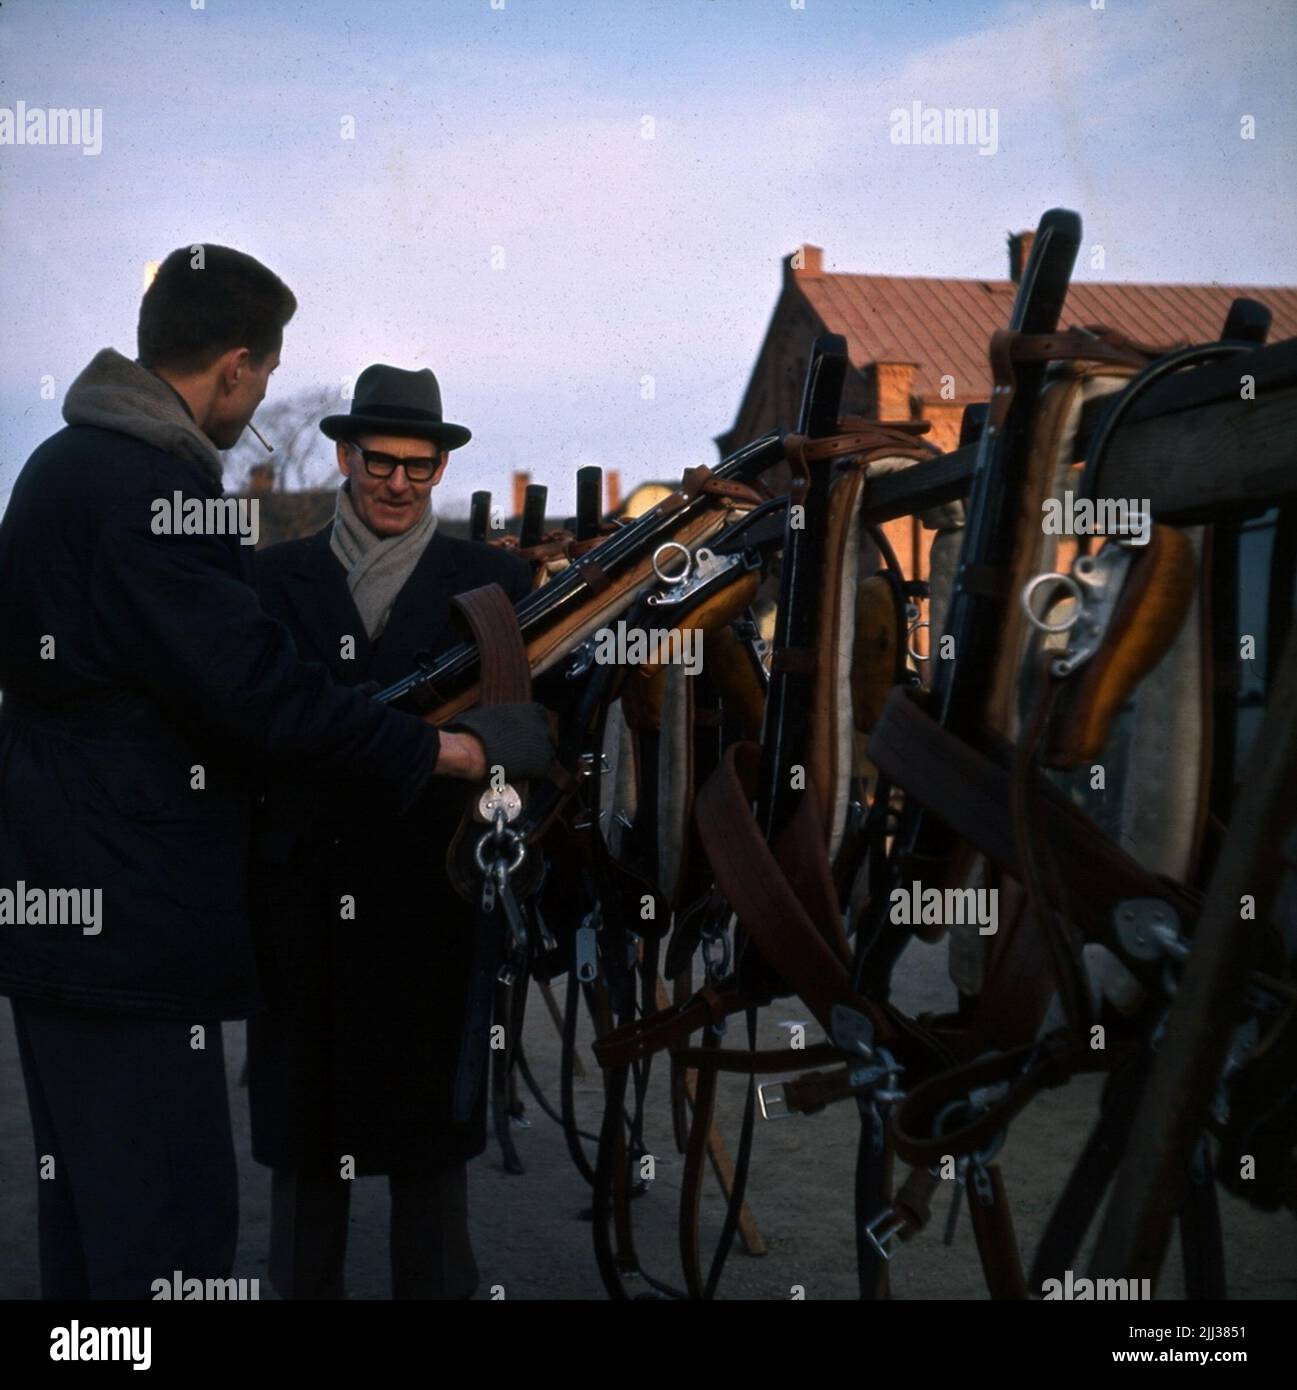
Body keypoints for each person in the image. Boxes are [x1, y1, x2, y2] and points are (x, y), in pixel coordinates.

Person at [0, 247, 550, 1300]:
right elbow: (258, 696)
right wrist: (453, 748)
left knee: (95, 1226)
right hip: (135, 920)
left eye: (417, 463)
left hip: (77, 906)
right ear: (239, 366)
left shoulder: (61, 467)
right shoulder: (156, 490)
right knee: (166, 1239)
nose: (396, 480)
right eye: (262, 380)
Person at [247, 364, 533, 1300]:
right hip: (304, 907)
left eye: (420, 467)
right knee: (306, 1166)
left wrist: (486, 748)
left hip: (433, 907)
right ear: (344, 456)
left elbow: (532, 736)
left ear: (440, 470)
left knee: (429, 1166)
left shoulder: (493, 585)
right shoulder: (271, 580)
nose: (398, 484)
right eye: (381, 462)